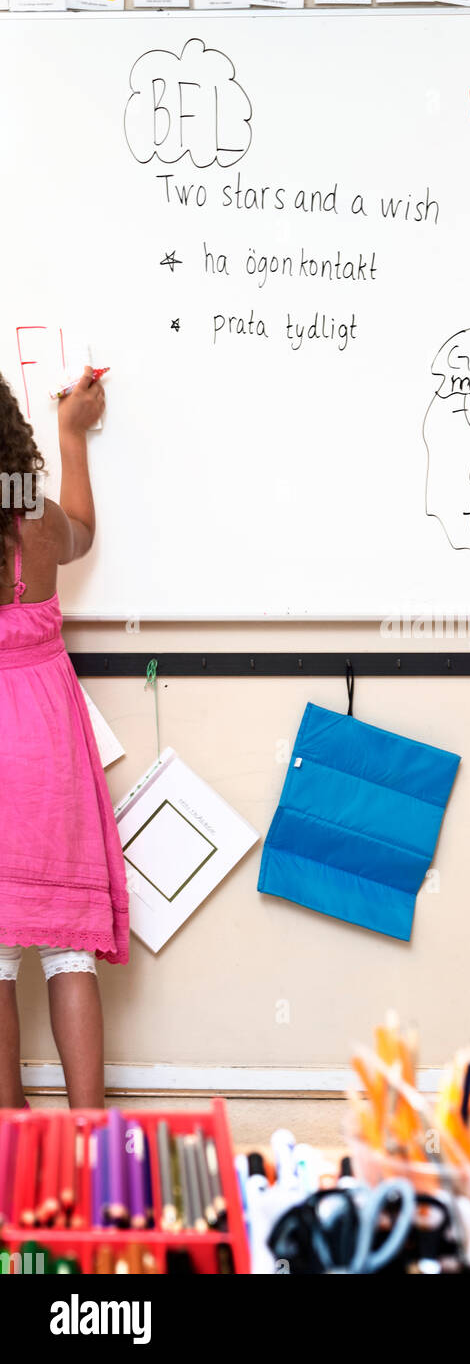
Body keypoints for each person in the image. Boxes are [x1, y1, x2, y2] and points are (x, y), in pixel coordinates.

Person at [0, 367, 128, 1109]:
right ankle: (90, 1129)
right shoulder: (36, 520)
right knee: (67, 947)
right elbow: (82, 530)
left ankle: (10, 1132)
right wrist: (71, 433)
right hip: (48, 739)